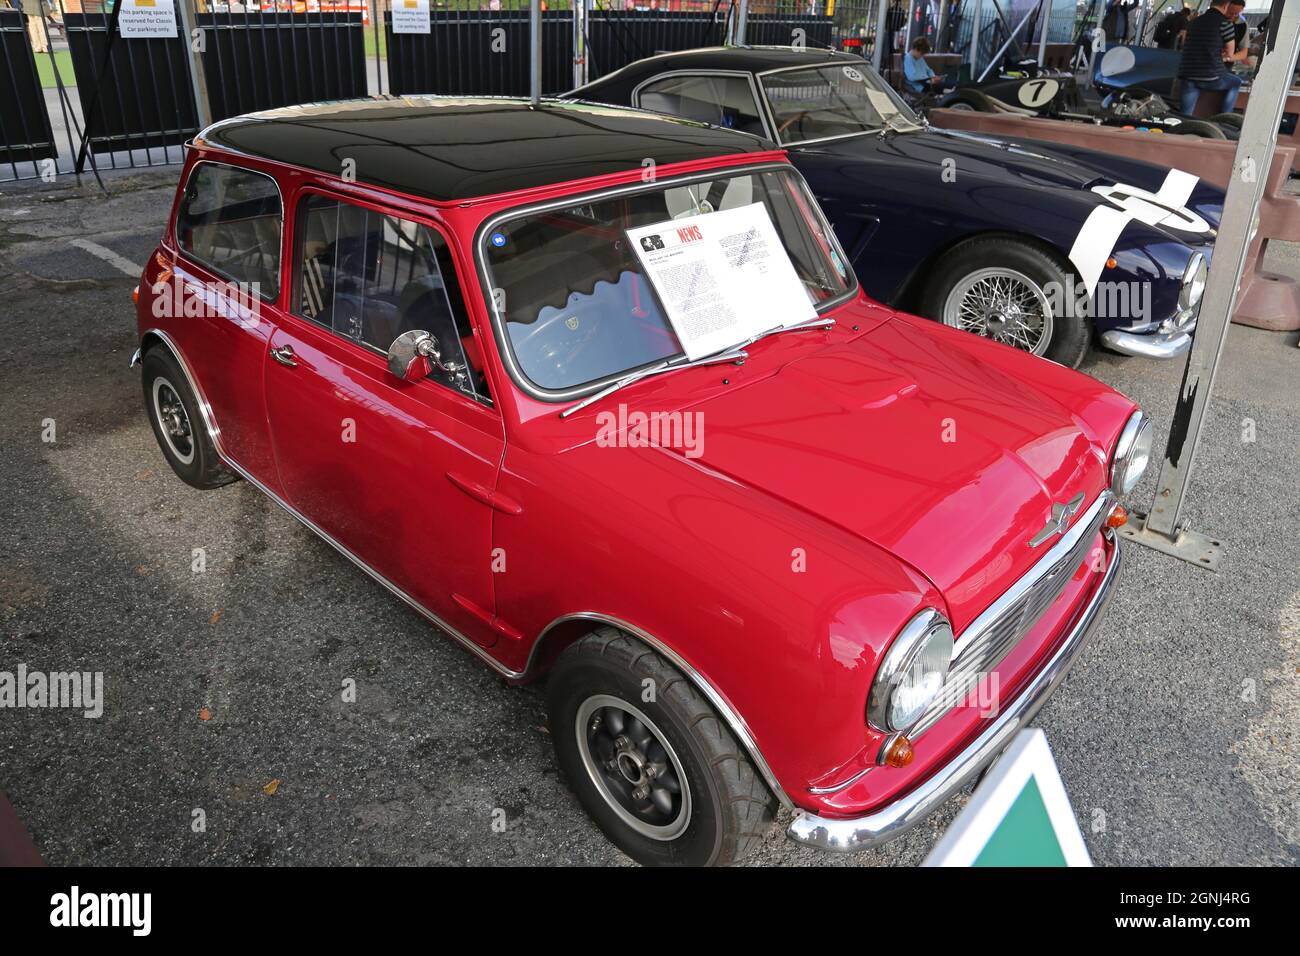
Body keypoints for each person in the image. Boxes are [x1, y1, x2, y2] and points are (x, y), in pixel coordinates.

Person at [1177, 0, 1248, 115]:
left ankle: (1180, 129)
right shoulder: (1225, 23)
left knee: (1185, 114)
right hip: (1211, 76)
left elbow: (1184, 44)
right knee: (1236, 82)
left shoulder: (1194, 21)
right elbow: (1230, 54)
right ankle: (1225, 117)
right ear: (1226, 5)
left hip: (1187, 73)